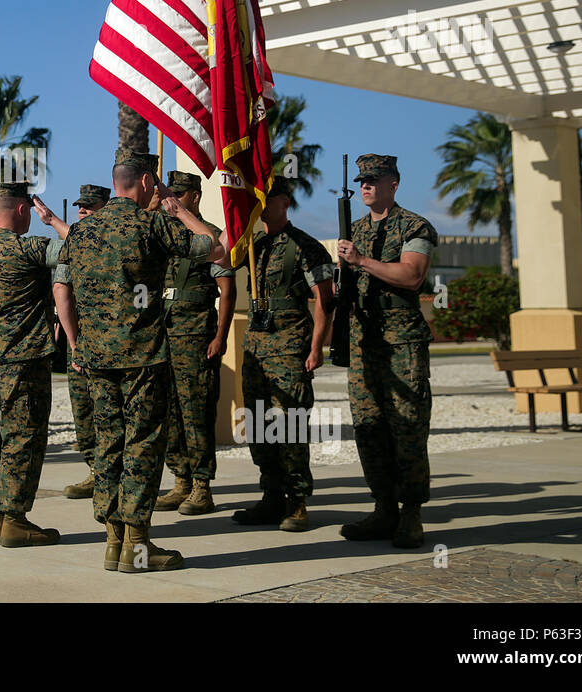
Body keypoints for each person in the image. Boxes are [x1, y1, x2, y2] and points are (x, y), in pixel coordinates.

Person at [54, 152, 223, 573]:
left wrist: (76, 342)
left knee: (109, 443)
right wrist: (179, 208)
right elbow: (216, 247)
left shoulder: (80, 231)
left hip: (96, 359)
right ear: (148, 182)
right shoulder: (152, 224)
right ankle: (138, 544)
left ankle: (113, 541)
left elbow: (65, 292)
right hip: (142, 358)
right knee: (142, 446)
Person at [336, 154, 438, 550]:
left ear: (394, 184)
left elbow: (412, 276)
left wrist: (361, 260)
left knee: (407, 427)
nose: (366, 186)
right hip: (364, 343)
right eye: (362, 180)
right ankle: (383, 508)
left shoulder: (414, 226)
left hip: (401, 343)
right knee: (369, 427)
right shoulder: (355, 229)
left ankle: (411, 513)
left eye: (374, 180)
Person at [0, 182, 65, 548]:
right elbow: (84, 249)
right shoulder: (31, 248)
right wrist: (53, 221)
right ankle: (16, 519)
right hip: (24, 362)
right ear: (23, 210)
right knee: (23, 438)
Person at [231, 178, 334, 533]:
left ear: (285, 202)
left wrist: (317, 345)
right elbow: (217, 255)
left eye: (267, 197)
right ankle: (271, 496)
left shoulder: (305, 246)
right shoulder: (252, 245)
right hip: (257, 348)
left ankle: (297, 501)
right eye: (257, 196)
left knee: (288, 425)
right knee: (259, 424)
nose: (260, 202)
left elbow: (325, 298)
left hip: (290, 346)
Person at [154, 171, 237, 515]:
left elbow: (227, 291)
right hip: (163, 339)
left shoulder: (211, 237)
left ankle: (202, 486)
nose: (172, 200)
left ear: (195, 197)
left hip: (196, 338)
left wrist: (219, 337)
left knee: (196, 413)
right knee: (170, 412)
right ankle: (181, 481)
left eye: (180, 194)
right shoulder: (164, 238)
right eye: (170, 194)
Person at [33, 183, 109, 498]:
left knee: (109, 410)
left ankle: (111, 474)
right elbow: (60, 291)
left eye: (89, 207)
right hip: (81, 343)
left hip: (111, 343)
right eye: (80, 207)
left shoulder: (112, 240)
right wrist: (73, 343)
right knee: (83, 411)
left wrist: (51, 219)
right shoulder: (71, 248)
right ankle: (95, 471)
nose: (82, 211)